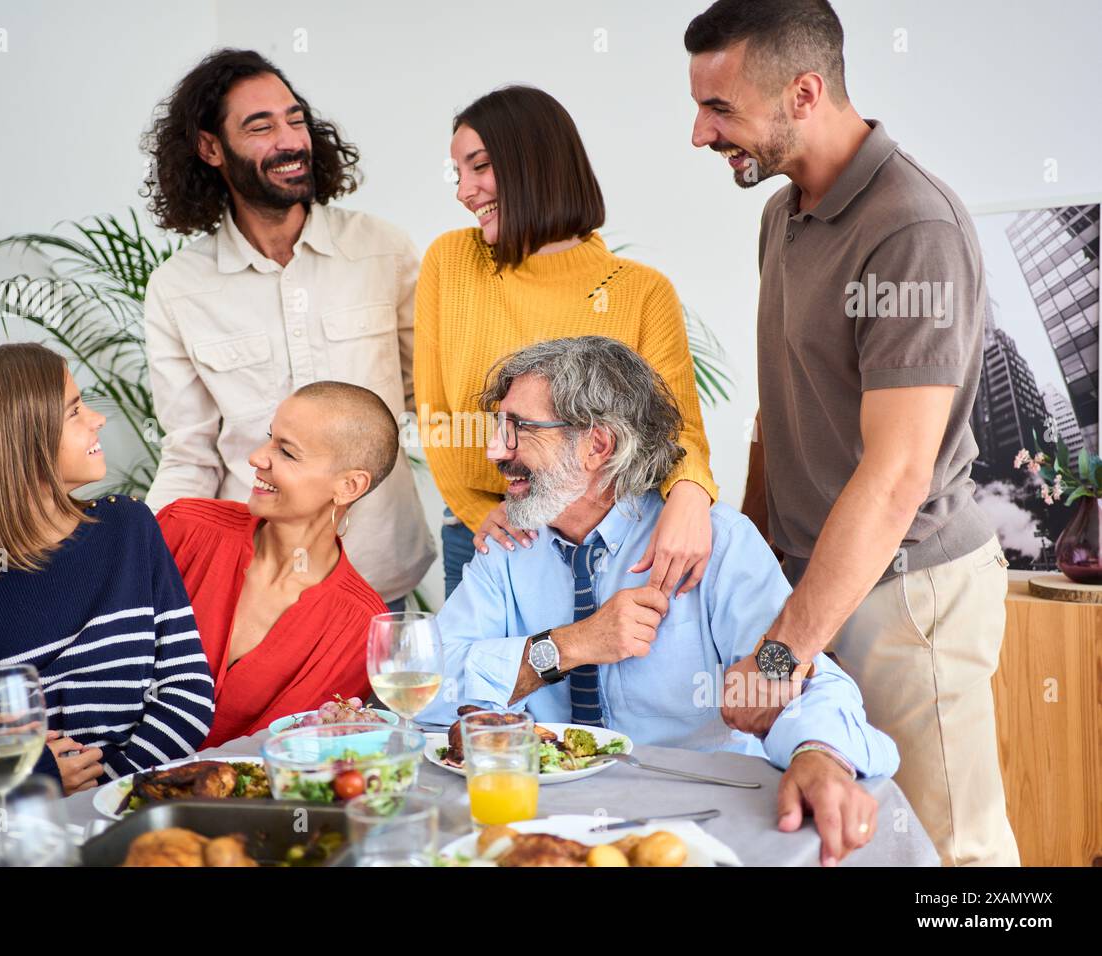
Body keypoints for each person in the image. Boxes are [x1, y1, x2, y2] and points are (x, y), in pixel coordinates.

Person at [685, 0, 1017, 866]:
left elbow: (900, 471)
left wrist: (780, 653)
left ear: (805, 91)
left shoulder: (912, 227)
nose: (698, 133)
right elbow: (780, 405)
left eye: (720, 109)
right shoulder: (782, 213)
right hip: (812, 581)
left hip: (910, 595)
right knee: (833, 836)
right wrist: (751, 555)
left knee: (949, 855)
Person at [416, 336, 899, 866]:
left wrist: (818, 752)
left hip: (698, 819)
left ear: (597, 445)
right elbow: (428, 684)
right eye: (498, 428)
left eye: (519, 430)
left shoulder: (715, 543)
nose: (495, 451)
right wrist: (568, 646)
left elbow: (800, 675)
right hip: (543, 819)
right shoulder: (509, 543)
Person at [0, 344, 214, 827]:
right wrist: (26, 787)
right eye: (74, 411)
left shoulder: (130, 529)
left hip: (137, 816)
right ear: (13, 441)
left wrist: (108, 794)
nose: (98, 420)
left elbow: (188, 691)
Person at [140, 48, 435, 612]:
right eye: (261, 125)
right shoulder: (177, 289)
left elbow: (433, 396)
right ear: (210, 148)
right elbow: (190, 453)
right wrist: (144, 563)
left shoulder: (382, 251)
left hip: (379, 575)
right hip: (252, 584)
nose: (290, 140)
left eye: (295, 119)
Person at [416, 85, 718, 600]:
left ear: (534, 165)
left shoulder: (640, 291)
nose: (464, 192)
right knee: (485, 680)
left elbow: (678, 430)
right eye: (458, 174)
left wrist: (691, 496)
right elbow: (437, 414)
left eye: (479, 167)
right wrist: (476, 514)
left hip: (614, 536)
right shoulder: (451, 262)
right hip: (491, 534)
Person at [157, 382, 398, 746]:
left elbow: (286, 754)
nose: (256, 457)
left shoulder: (358, 627)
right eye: (270, 439)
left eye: (286, 452)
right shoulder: (182, 528)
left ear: (349, 485)